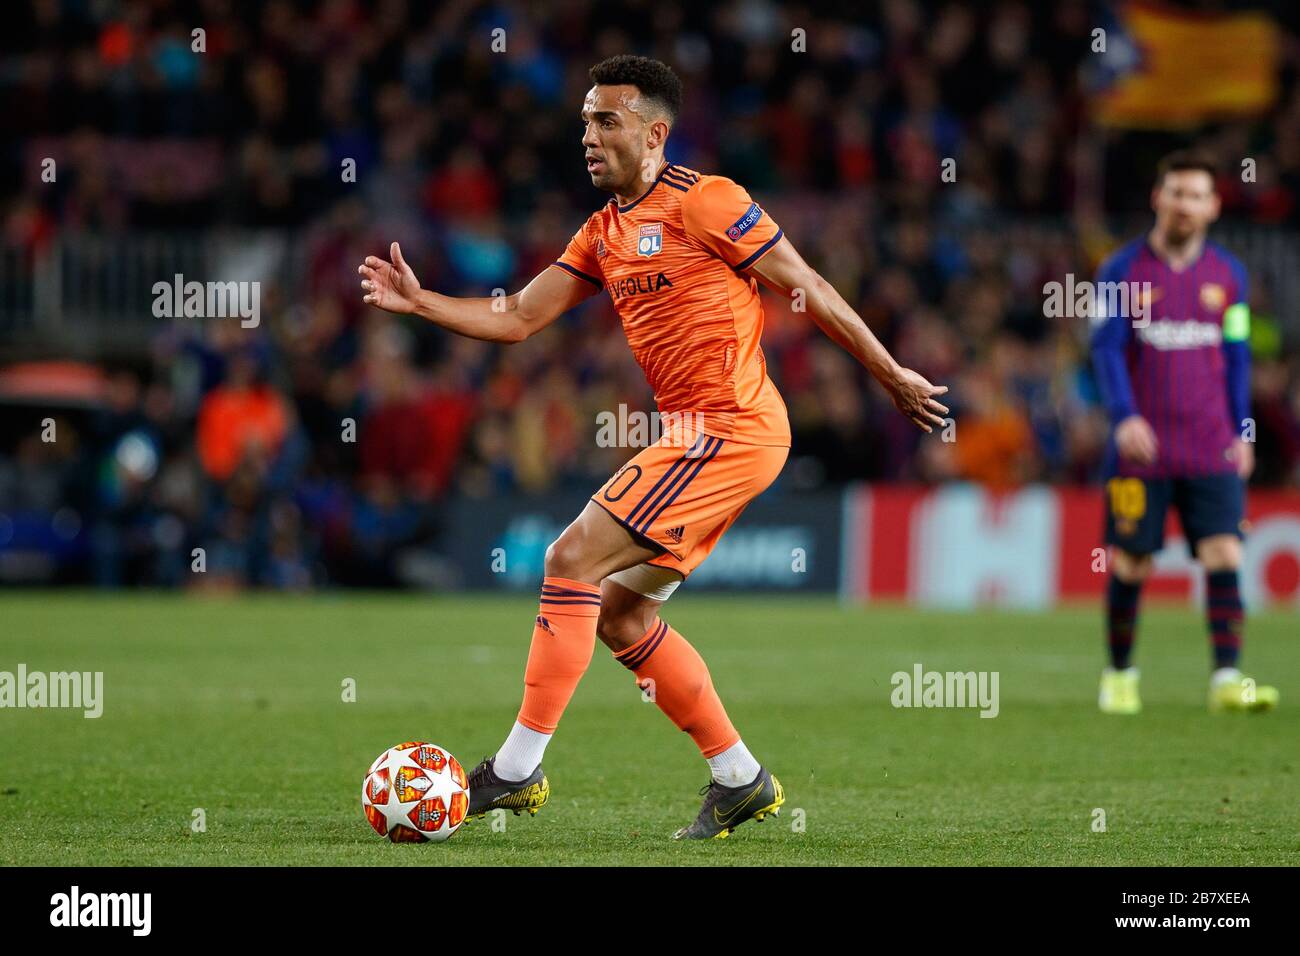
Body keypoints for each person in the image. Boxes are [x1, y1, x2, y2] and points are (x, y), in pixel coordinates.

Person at [359, 55, 948, 838]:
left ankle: (515, 769)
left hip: (730, 425)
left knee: (570, 559)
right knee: (620, 615)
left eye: (607, 121)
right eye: (584, 122)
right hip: (695, 434)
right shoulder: (602, 232)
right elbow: (518, 318)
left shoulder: (707, 201)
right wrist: (421, 301)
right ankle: (740, 779)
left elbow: (806, 283)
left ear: (655, 131)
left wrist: (890, 373)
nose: (589, 137)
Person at [1091, 149, 1278, 715]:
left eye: (1197, 196)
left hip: (1209, 442)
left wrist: (1243, 430)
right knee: (1132, 561)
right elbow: (1105, 350)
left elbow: (1238, 357)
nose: (1185, 206)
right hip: (1140, 450)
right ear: (1158, 198)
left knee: (1224, 552)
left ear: (1214, 206)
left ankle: (1227, 678)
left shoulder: (1229, 276)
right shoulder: (1119, 271)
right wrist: (1123, 417)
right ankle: (1120, 675)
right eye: (1176, 193)